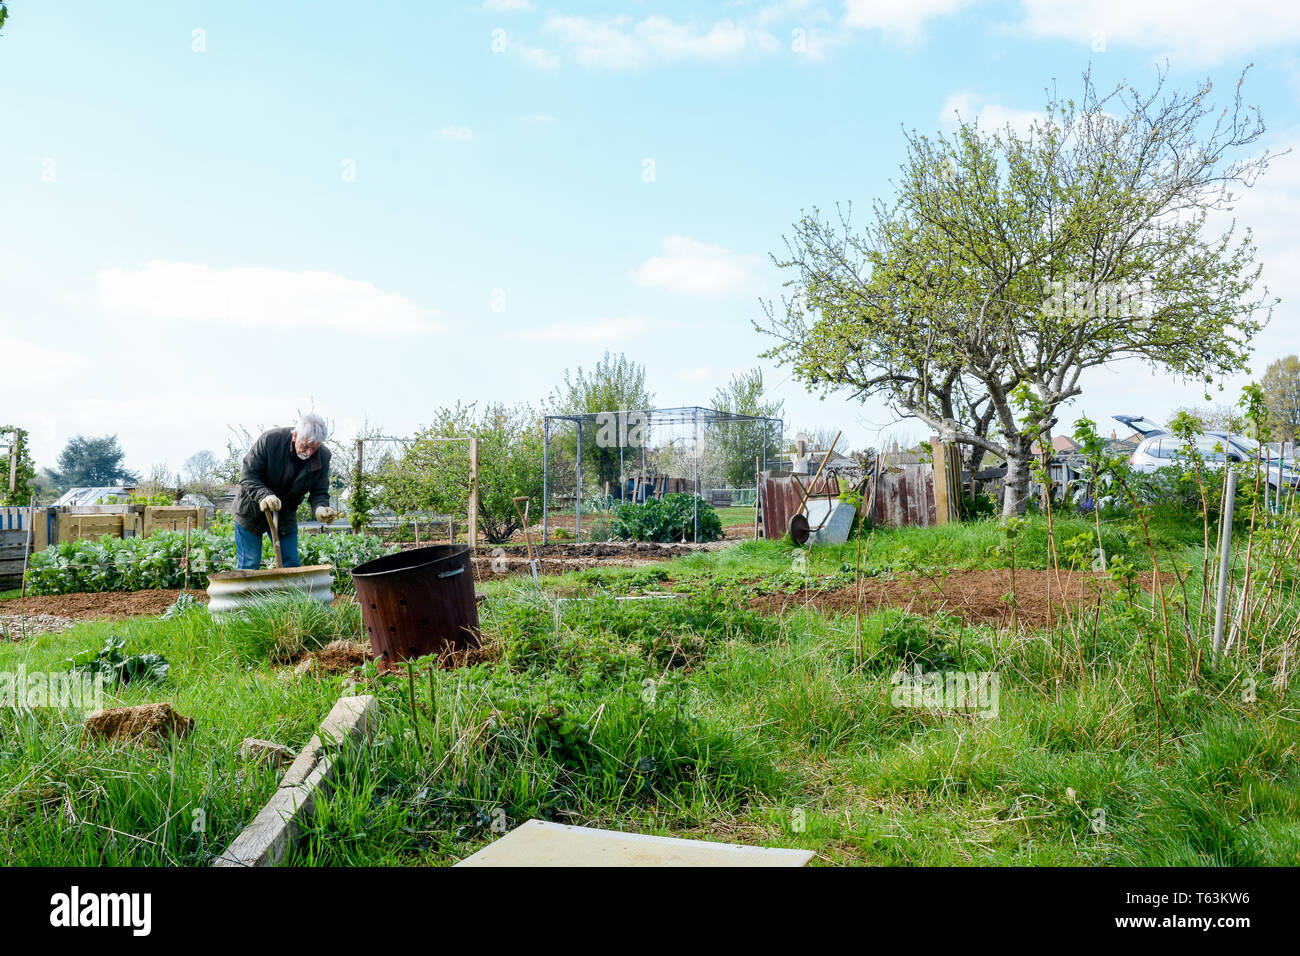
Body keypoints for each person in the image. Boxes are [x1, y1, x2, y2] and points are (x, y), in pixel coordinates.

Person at [233, 413, 336, 569]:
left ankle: (288, 594)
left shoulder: (322, 456)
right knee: (250, 564)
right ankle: (248, 594)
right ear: (295, 436)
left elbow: (319, 490)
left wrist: (320, 508)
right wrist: (265, 496)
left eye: (314, 448)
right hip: (251, 510)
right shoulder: (271, 441)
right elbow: (248, 475)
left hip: (285, 513)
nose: (309, 453)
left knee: (291, 565)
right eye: (306, 446)